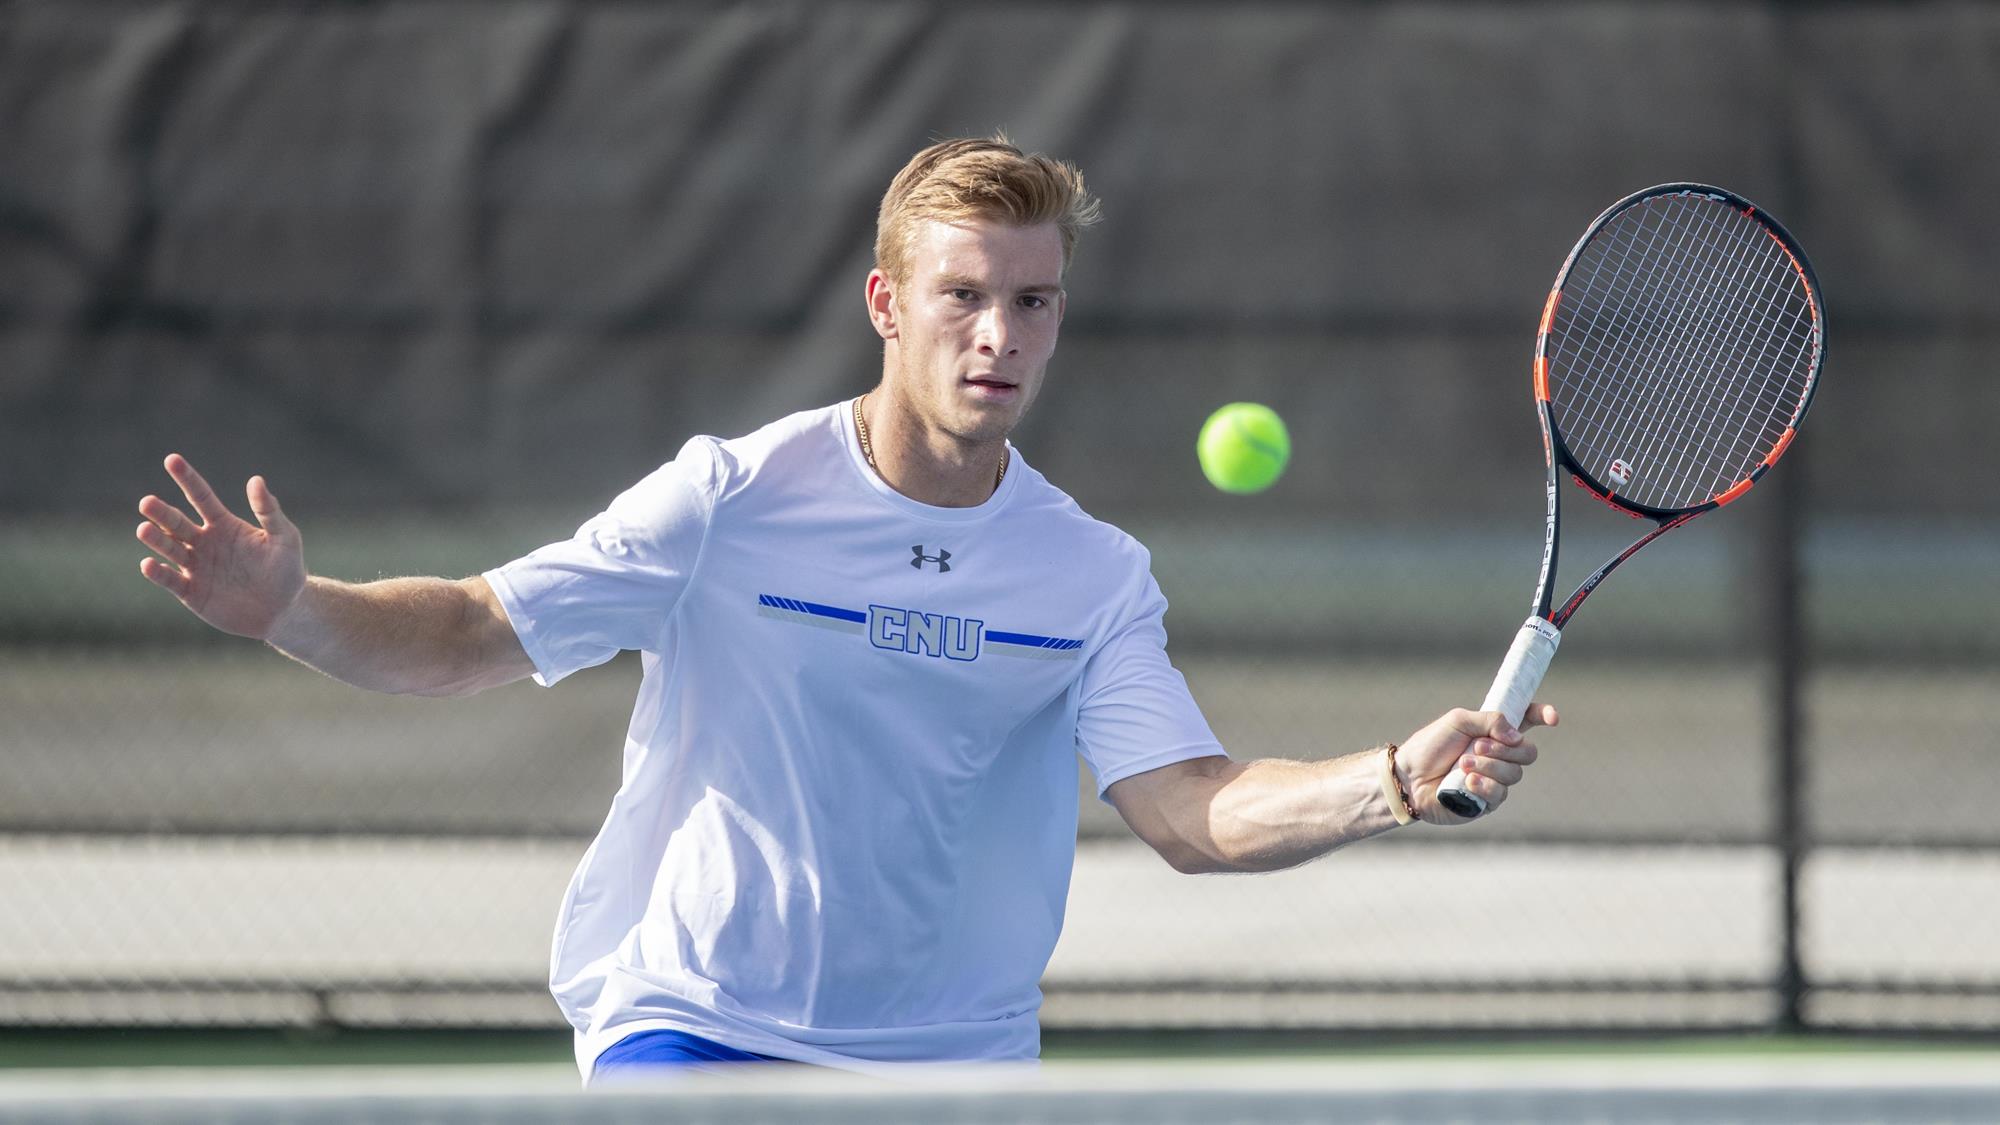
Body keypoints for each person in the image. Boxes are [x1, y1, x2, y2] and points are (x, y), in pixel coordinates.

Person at [134, 135, 1552, 1081]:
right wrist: (291, 608)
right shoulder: (729, 499)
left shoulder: (1091, 573)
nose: (999, 336)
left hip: (954, 1061)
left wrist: (1388, 781)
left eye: (1035, 302)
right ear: (886, 301)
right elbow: (466, 633)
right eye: (963, 295)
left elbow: (1190, 810)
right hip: (692, 1027)